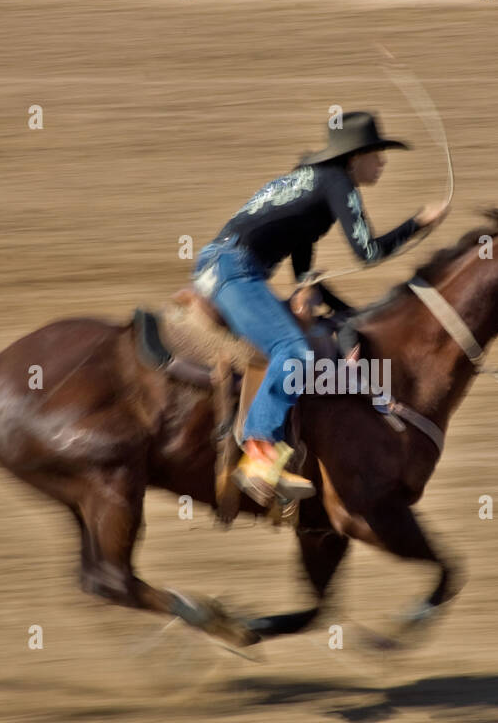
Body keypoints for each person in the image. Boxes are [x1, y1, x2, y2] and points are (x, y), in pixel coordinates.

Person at [191, 111, 450, 506]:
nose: (382, 162)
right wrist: (419, 223)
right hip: (233, 270)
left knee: (297, 342)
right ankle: (260, 455)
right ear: (354, 157)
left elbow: (303, 272)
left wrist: (345, 309)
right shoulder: (338, 183)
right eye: (376, 153)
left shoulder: (315, 184)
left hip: (223, 266)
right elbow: (367, 251)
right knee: (292, 351)